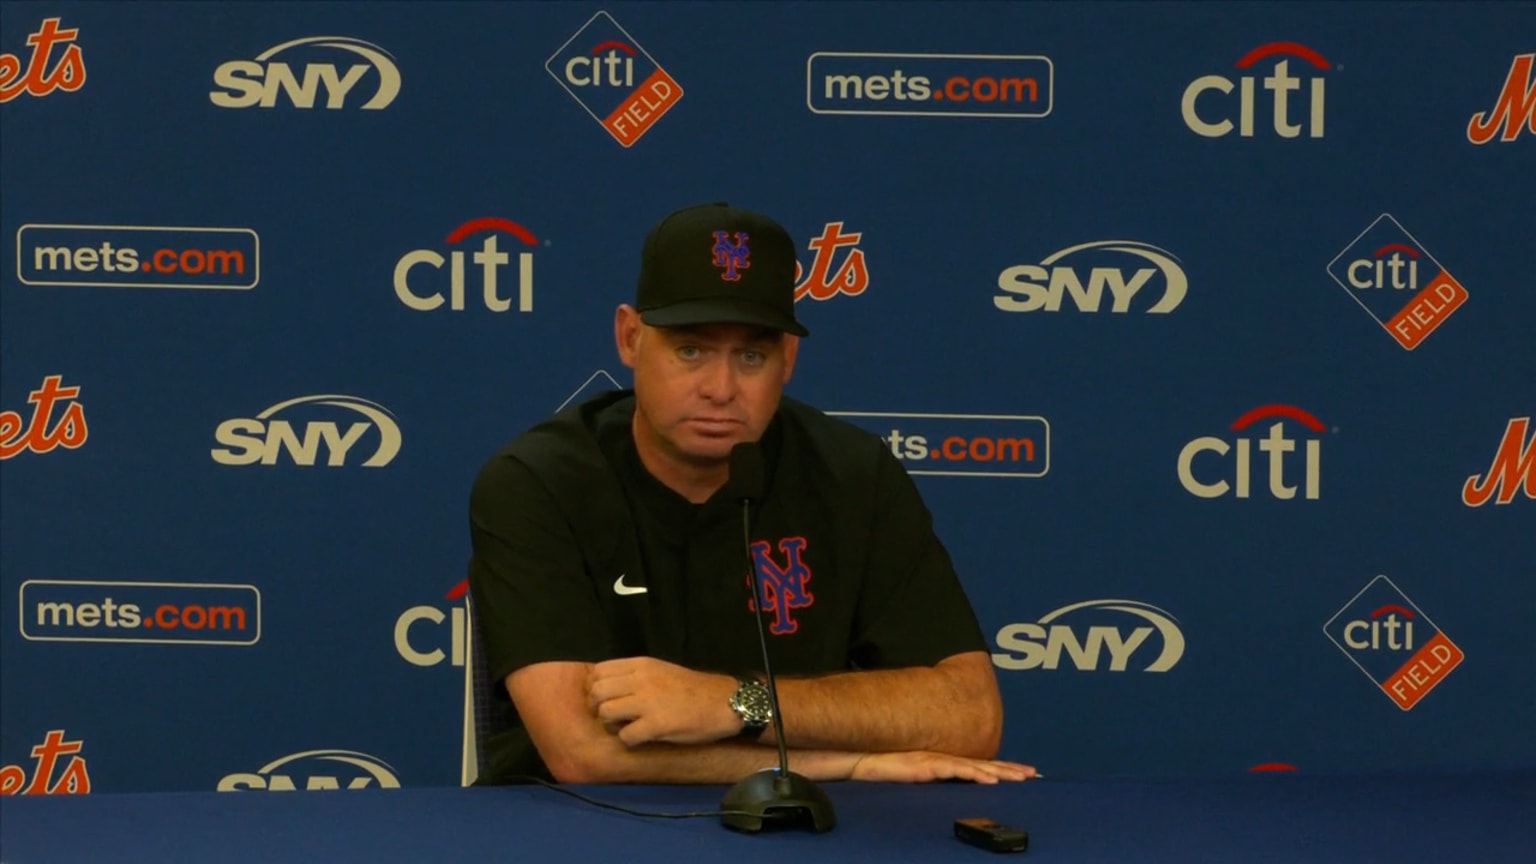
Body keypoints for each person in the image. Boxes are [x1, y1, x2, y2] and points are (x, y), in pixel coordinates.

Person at [467, 202, 1036, 786]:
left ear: (787, 360)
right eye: (690, 350)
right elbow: (584, 755)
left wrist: (733, 702)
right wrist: (848, 764)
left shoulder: (852, 474)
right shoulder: (536, 482)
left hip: (799, 836)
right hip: (577, 831)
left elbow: (970, 714)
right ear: (630, 338)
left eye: (751, 356)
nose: (721, 389)